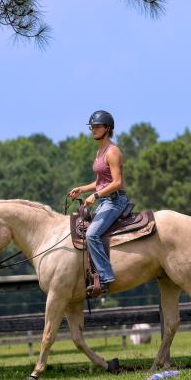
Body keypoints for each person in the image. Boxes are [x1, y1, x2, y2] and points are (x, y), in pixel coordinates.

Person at [68, 110, 129, 297]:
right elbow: (101, 181)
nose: (93, 130)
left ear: (107, 129)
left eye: (97, 127)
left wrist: (95, 195)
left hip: (115, 201)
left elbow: (117, 182)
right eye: (91, 127)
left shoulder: (112, 152)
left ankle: (105, 276)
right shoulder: (100, 150)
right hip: (104, 200)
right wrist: (83, 189)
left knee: (92, 234)